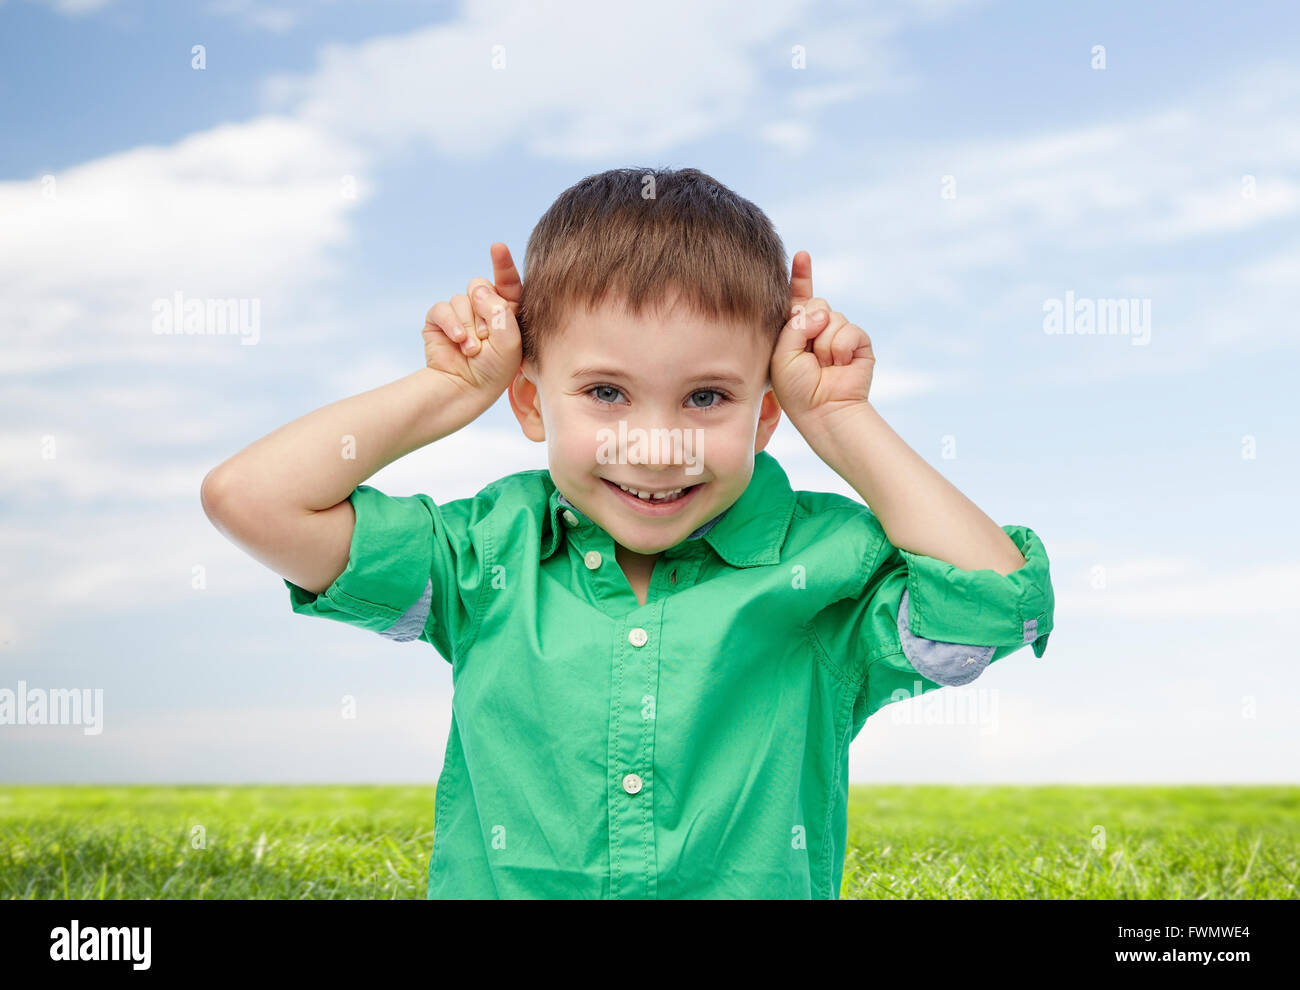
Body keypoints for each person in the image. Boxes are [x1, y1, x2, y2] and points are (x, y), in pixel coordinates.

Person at [201, 166, 1055, 899]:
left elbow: (994, 604)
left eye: (708, 397)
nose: (658, 445)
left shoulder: (823, 570)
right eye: (606, 392)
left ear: (767, 415)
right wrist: (449, 390)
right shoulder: (487, 554)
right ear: (532, 401)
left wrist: (840, 419)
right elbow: (252, 499)